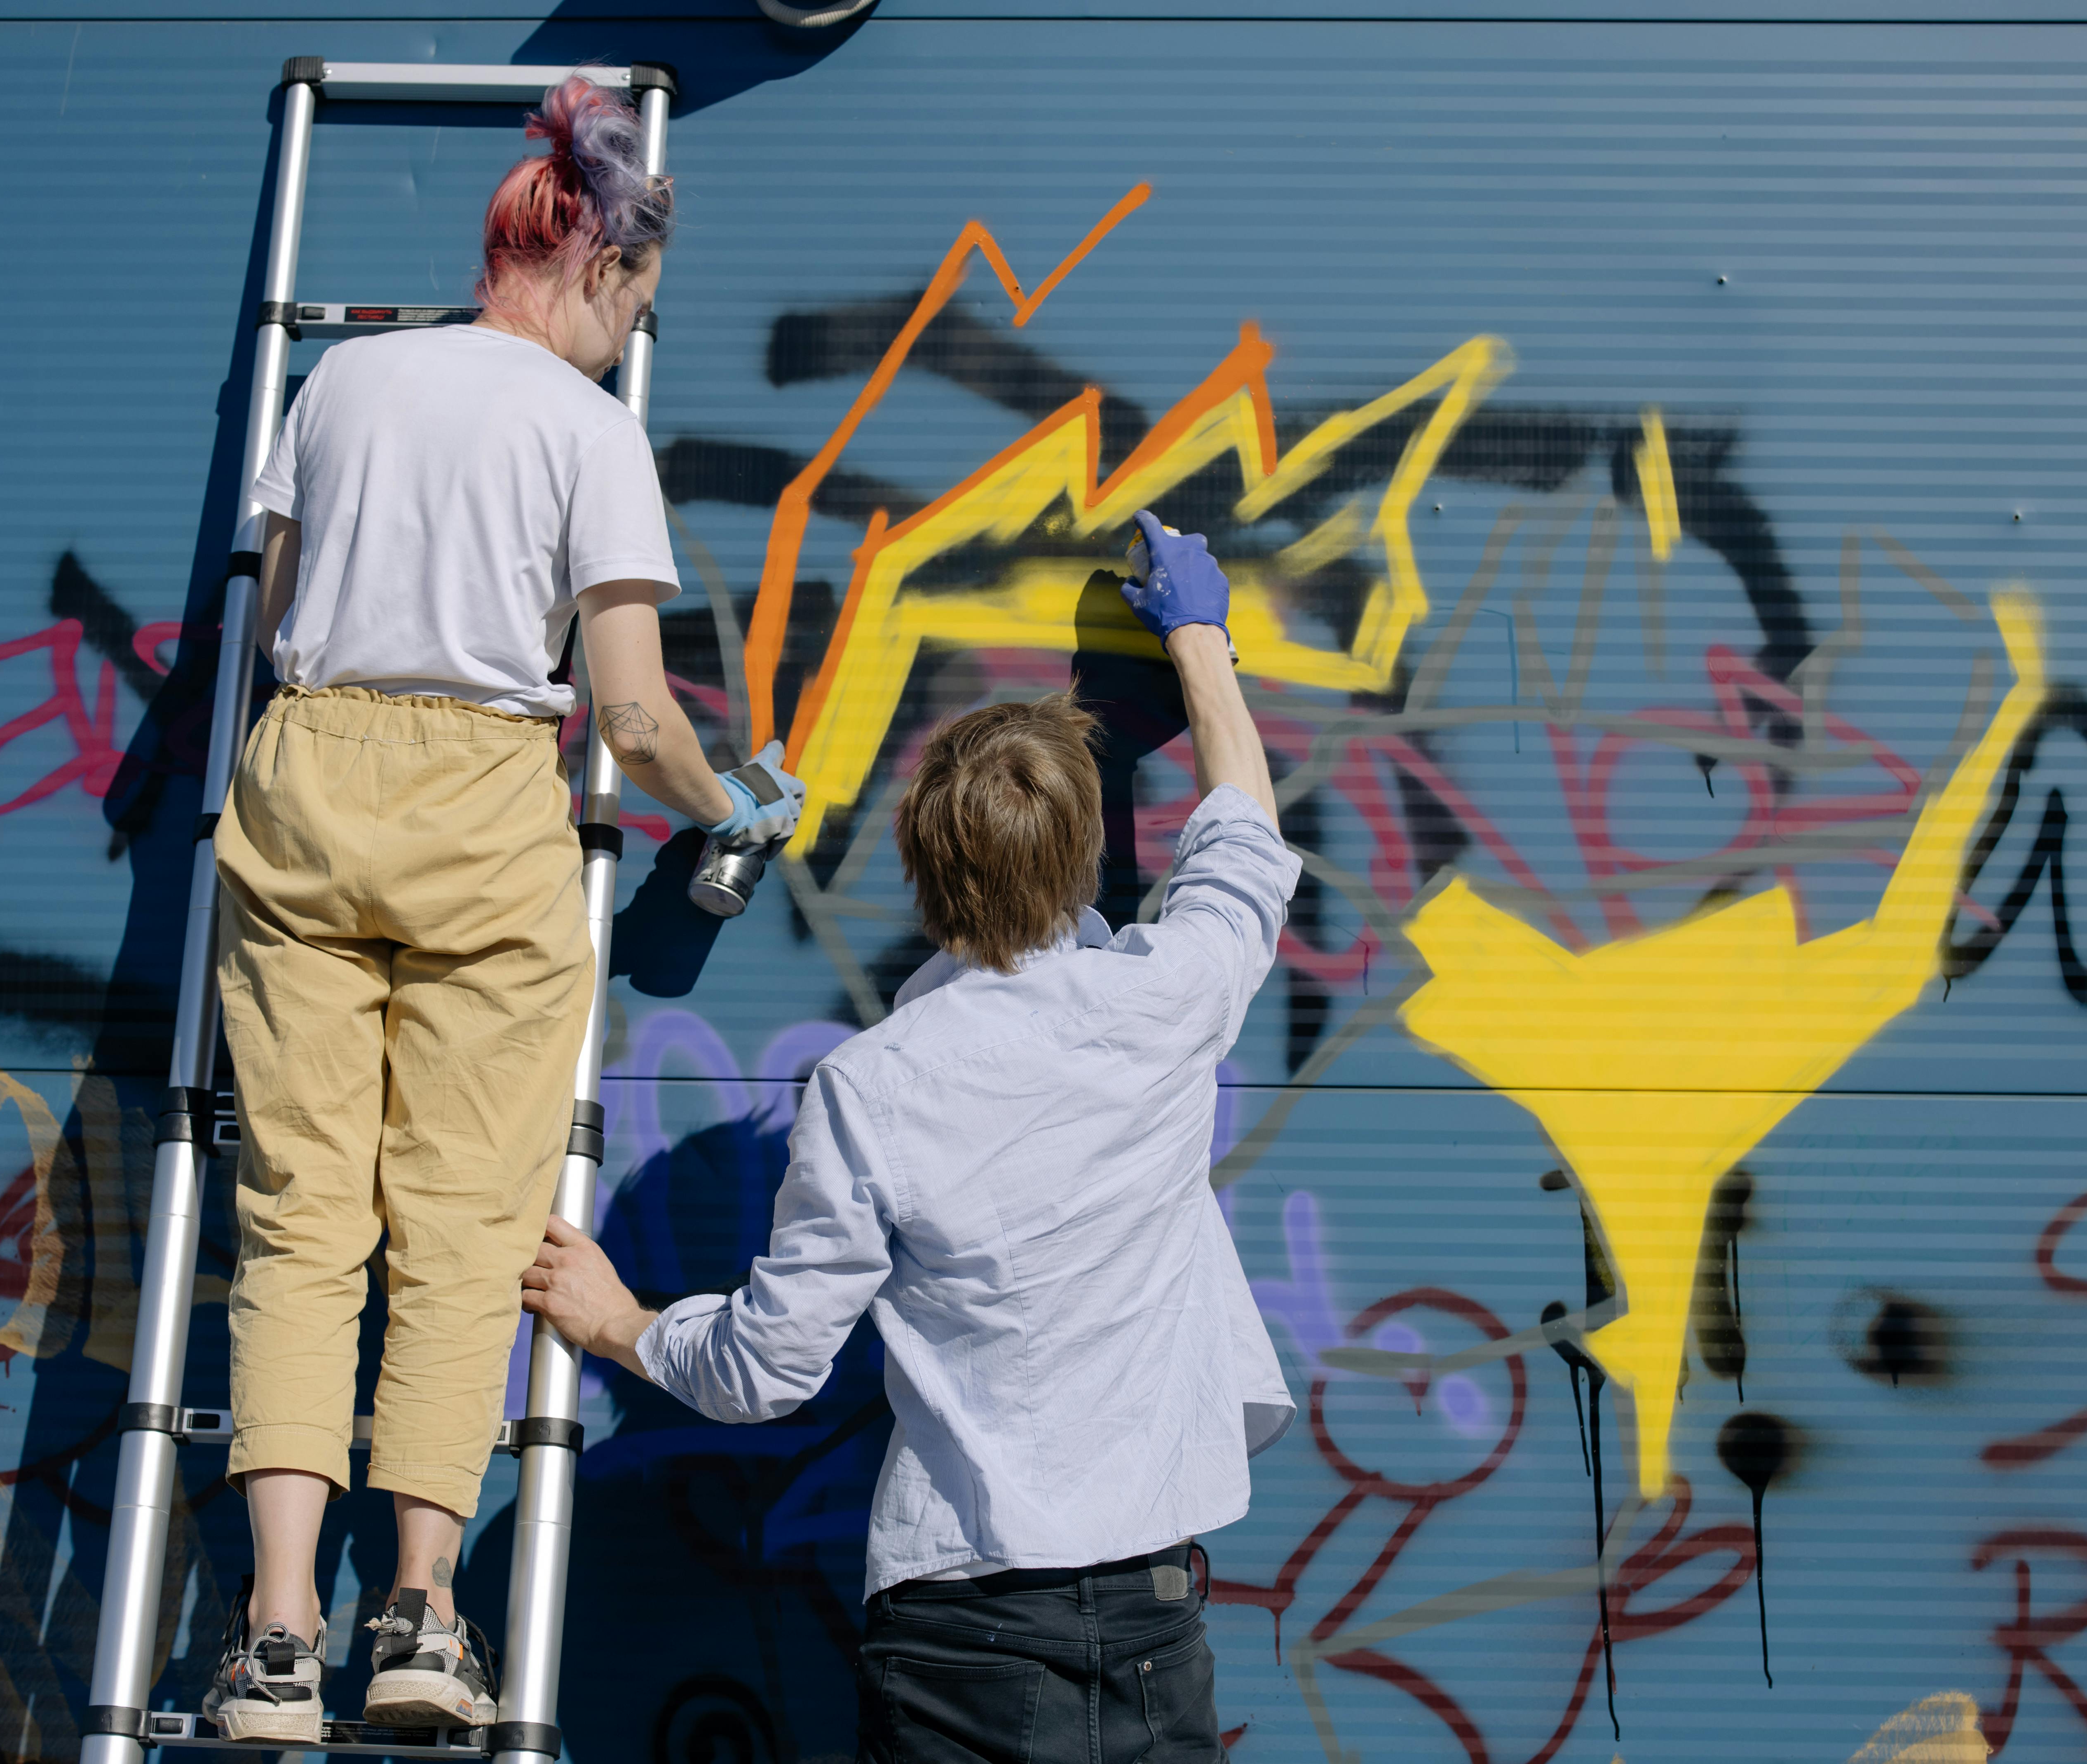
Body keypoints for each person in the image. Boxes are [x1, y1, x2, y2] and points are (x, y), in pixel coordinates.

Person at [202, 74, 804, 1744]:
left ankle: (272, 1636)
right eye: (636, 308)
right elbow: (633, 716)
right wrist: (731, 804)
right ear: (599, 269)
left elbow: (273, 622)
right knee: (464, 1229)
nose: (630, 340)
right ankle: (418, 1612)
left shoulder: (340, 382)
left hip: (307, 772)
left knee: (299, 1223)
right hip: (481, 799)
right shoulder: (588, 431)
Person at [522, 511, 1295, 1760]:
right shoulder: (1168, 1001)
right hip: (1155, 1621)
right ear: (1088, 854)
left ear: (924, 877)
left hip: (961, 1635)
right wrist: (1198, 638)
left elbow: (770, 1368)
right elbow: (1244, 841)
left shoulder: (872, 1085)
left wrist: (618, 1324)